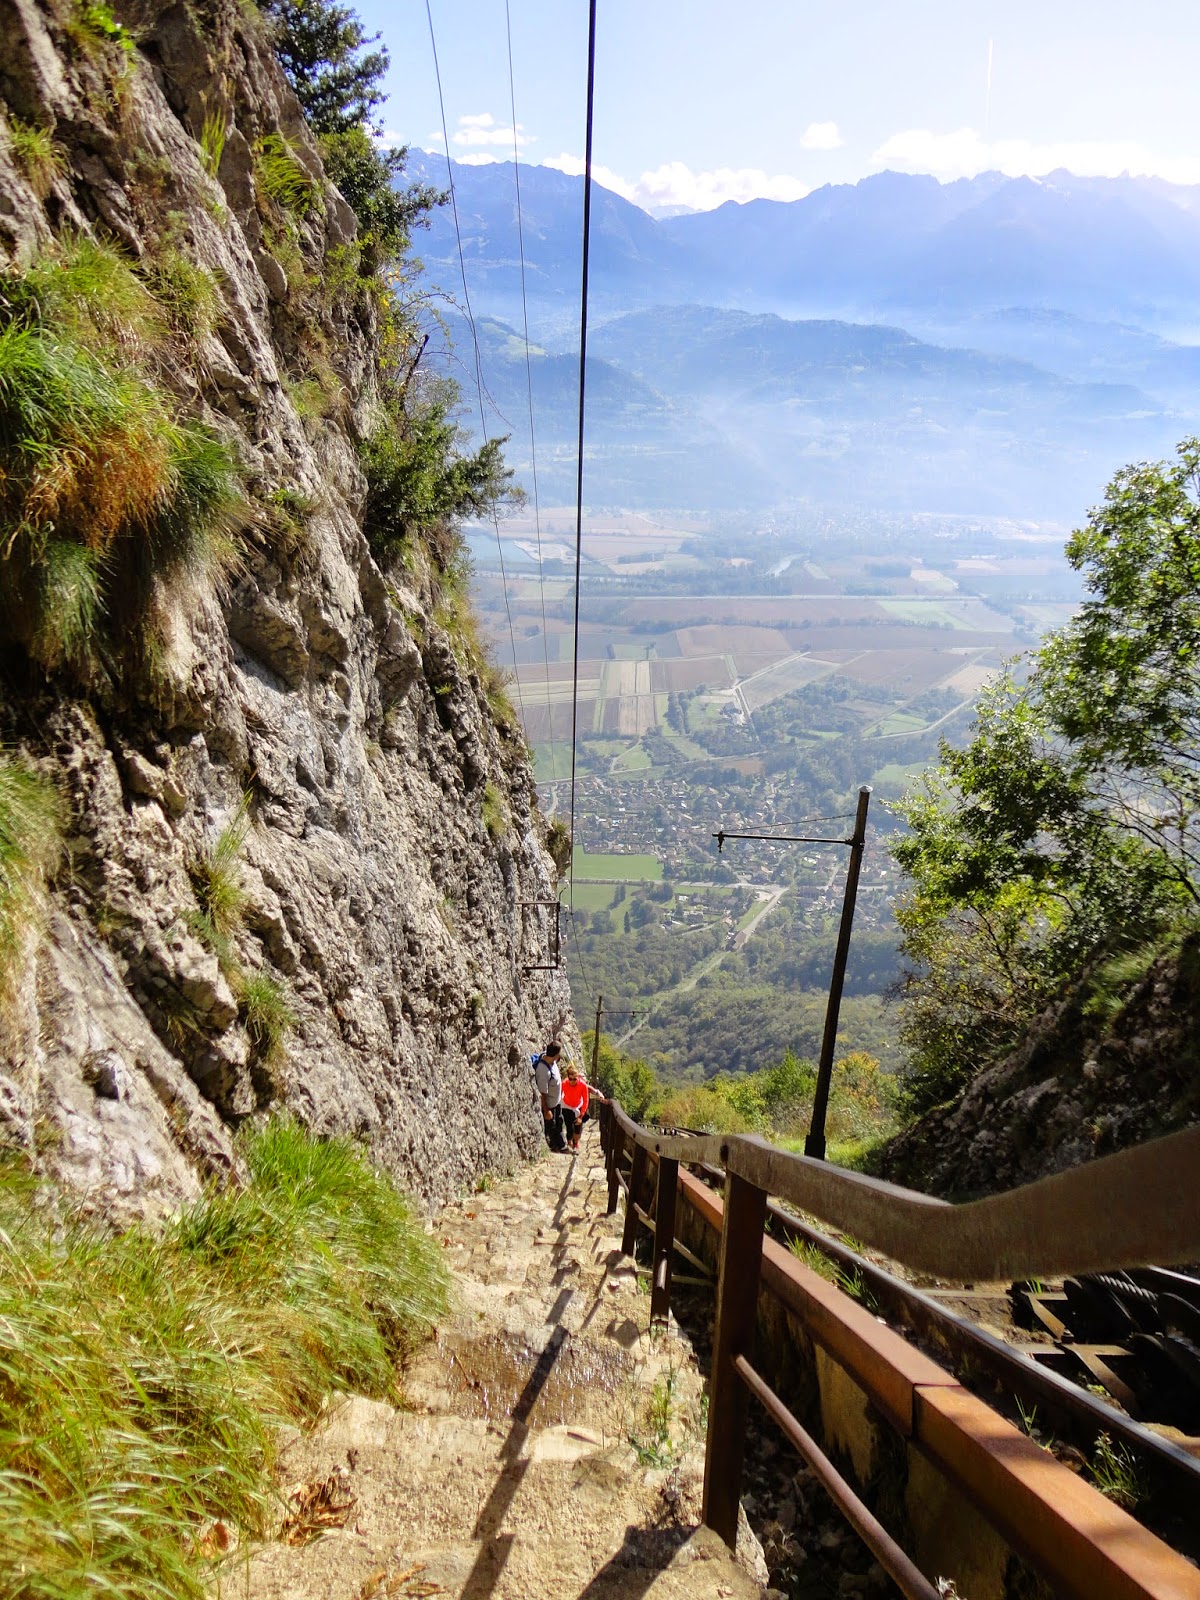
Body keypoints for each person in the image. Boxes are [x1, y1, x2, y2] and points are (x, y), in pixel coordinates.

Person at [561, 1062, 607, 1152]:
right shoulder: (564, 1083)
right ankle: (569, 1141)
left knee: (577, 1127)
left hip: (578, 1106)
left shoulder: (583, 1085)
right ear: (568, 1077)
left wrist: (581, 1115)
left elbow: (586, 1100)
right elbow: (559, 1094)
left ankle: (575, 1144)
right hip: (567, 1106)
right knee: (569, 1127)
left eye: (575, 1079)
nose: (573, 1081)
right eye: (571, 1079)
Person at [532, 1040, 568, 1152]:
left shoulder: (550, 1060)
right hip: (550, 1106)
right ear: (556, 1055)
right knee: (553, 1128)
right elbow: (542, 1093)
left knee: (559, 1123)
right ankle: (558, 1147)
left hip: (556, 1103)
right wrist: (546, 1110)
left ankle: (561, 1146)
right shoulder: (543, 1071)